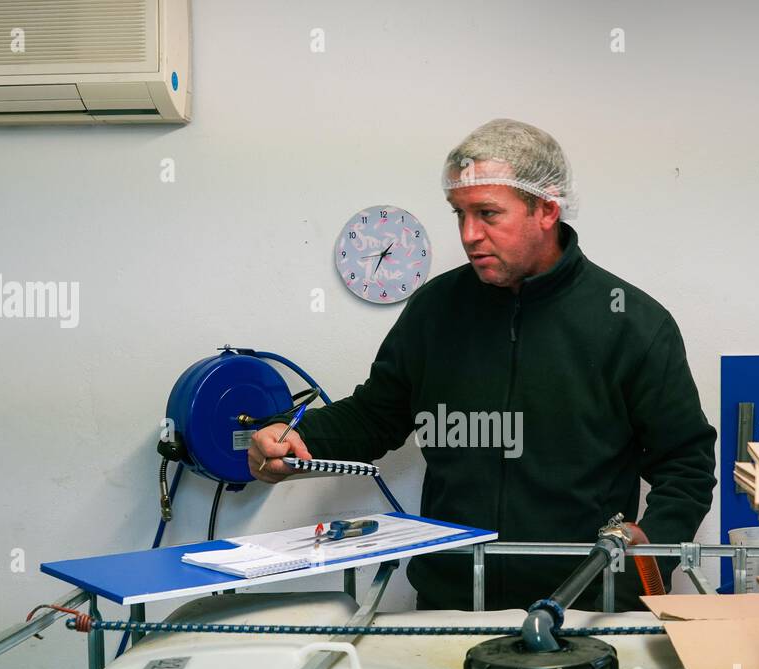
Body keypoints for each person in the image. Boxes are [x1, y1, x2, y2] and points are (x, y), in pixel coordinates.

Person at [250, 118, 716, 611]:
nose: (470, 234)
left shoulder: (630, 321)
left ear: (547, 209)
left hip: (585, 607)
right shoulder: (436, 310)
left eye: (488, 214)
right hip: (453, 603)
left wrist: (649, 548)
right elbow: (376, 415)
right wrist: (297, 437)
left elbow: (685, 463)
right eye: (460, 214)